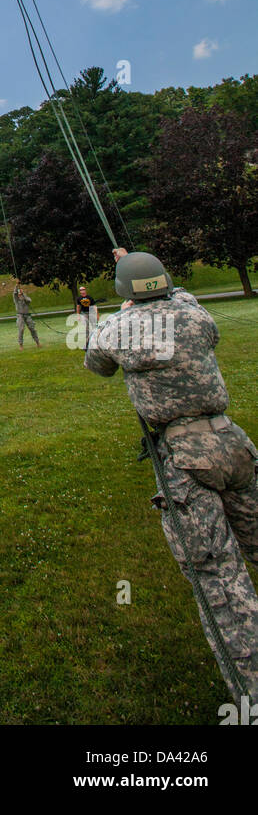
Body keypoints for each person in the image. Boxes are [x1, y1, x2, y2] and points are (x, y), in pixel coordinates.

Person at [85, 249, 258, 705]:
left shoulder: (117, 328)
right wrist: (145, 276)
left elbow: (96, 362)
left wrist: (124, 305)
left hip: (183, 457)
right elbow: (185, 303)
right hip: (233, 444)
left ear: (125, 294)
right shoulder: (195, 317)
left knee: (218, 579)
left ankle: (253, 697)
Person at [13, 283, 40, 348]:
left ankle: (38, 343)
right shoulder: (16, 299)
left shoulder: (26, 298)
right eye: (18, 293)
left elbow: (29, 300)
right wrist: (16, 286)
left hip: (27, 315)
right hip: (20, 316)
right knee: (21, 329)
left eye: (20, 293)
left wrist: (23, 295)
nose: (19, 294)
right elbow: (14, 293)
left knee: (32, 329)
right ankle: (21, 345)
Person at [76, 286, 97, 351]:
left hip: (91, 313)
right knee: (86, 329)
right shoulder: (79, 299)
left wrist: (96, 315)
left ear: (85, 290)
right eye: (81, 290)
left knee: (93, 328)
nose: (82, 291)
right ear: (80, 292)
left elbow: (94, 306)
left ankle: (95, 343)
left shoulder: (90, 297)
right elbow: (78, 307)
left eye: (83, 289)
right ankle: (86, 345)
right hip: (84, 314)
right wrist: (78, 315)